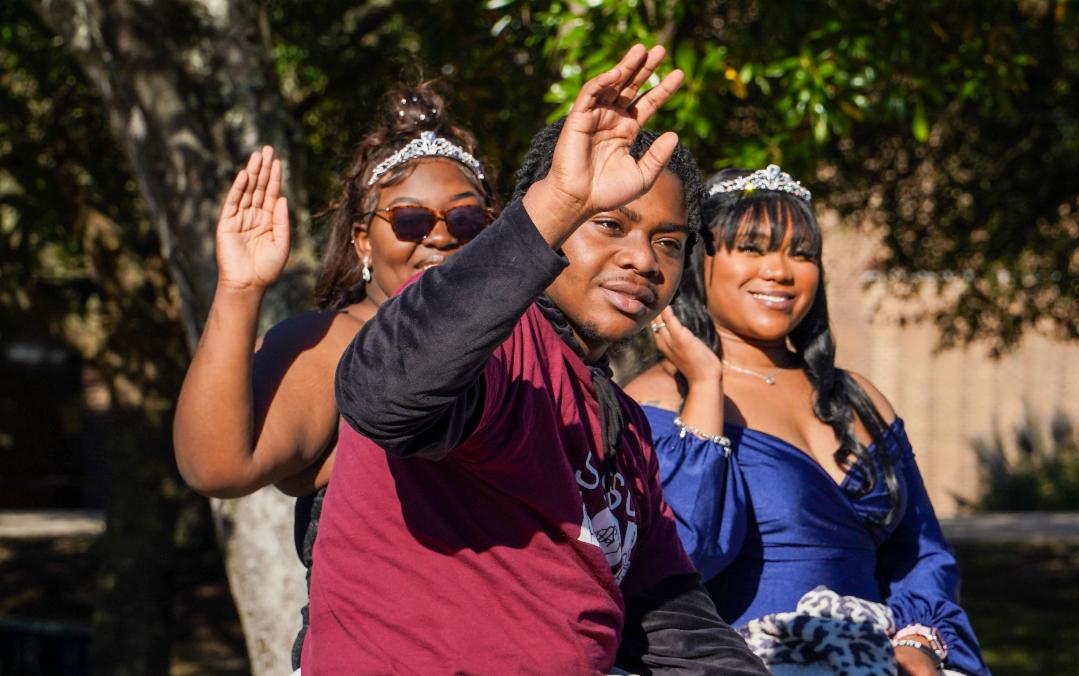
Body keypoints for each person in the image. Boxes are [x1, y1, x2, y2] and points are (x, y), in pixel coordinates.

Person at [307, 45, 767, 674]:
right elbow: (385, 394)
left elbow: (674, 621)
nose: (643, 259)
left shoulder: (626, 428)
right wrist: (558, 201)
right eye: (609, 224)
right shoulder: (490, 344)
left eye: (668, 242)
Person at [172, 82, 497, 667]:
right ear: (362, 240)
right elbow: (216, 465)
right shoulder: (331, 344)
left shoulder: (524, 354)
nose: (441, 235)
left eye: (467, 218)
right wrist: (240, 288)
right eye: (410, 219)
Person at [623, 165, 990, 675]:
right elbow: (686, 555)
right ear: (697, 260)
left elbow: (921, 550)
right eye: (752, 248)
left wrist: (919, 642)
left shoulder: (857, 396)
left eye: (802, 254)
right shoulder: (656, 400)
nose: (780, 271)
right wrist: (705, 386)